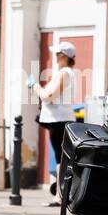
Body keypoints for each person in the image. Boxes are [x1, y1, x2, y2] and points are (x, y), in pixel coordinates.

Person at [34, 41, 79, 204]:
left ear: (63, 56)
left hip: (58, 119)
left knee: (60, 158)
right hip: (60, 119)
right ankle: (61, 194)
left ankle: (59, 196)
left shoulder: (64, 73)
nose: (54, 57)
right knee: (61, 157)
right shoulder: (68, 72)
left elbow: (49, 96)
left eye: (56, 54)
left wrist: (35, 87)